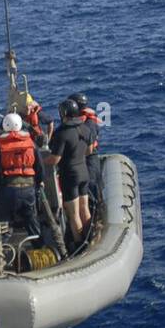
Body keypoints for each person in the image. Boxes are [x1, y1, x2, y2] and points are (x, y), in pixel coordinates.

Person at [0, 111, 44, 235]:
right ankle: (39, 245)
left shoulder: (0, 147)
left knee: (3, 223)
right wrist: (37, 185)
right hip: (29, 191)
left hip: (8, 192)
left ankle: (2, 248)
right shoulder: (31, 144)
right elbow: (40, 168)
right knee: (31, 220)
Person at [45, 97, 92, 243]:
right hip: (84, 172)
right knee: (85, 208)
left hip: (70, 175)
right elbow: (89, 150)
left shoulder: (62, 133)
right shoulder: (86, 128)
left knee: (74, 214)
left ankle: (79, 244)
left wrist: (40, 160)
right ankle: (90, 237)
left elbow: (55, 160)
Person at [72, 92, 103, 203]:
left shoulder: (89, 124)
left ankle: (96, 210)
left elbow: (88, 148)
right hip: (84, 157)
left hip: (89, 158)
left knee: (92, 183)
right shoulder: (83, 122)